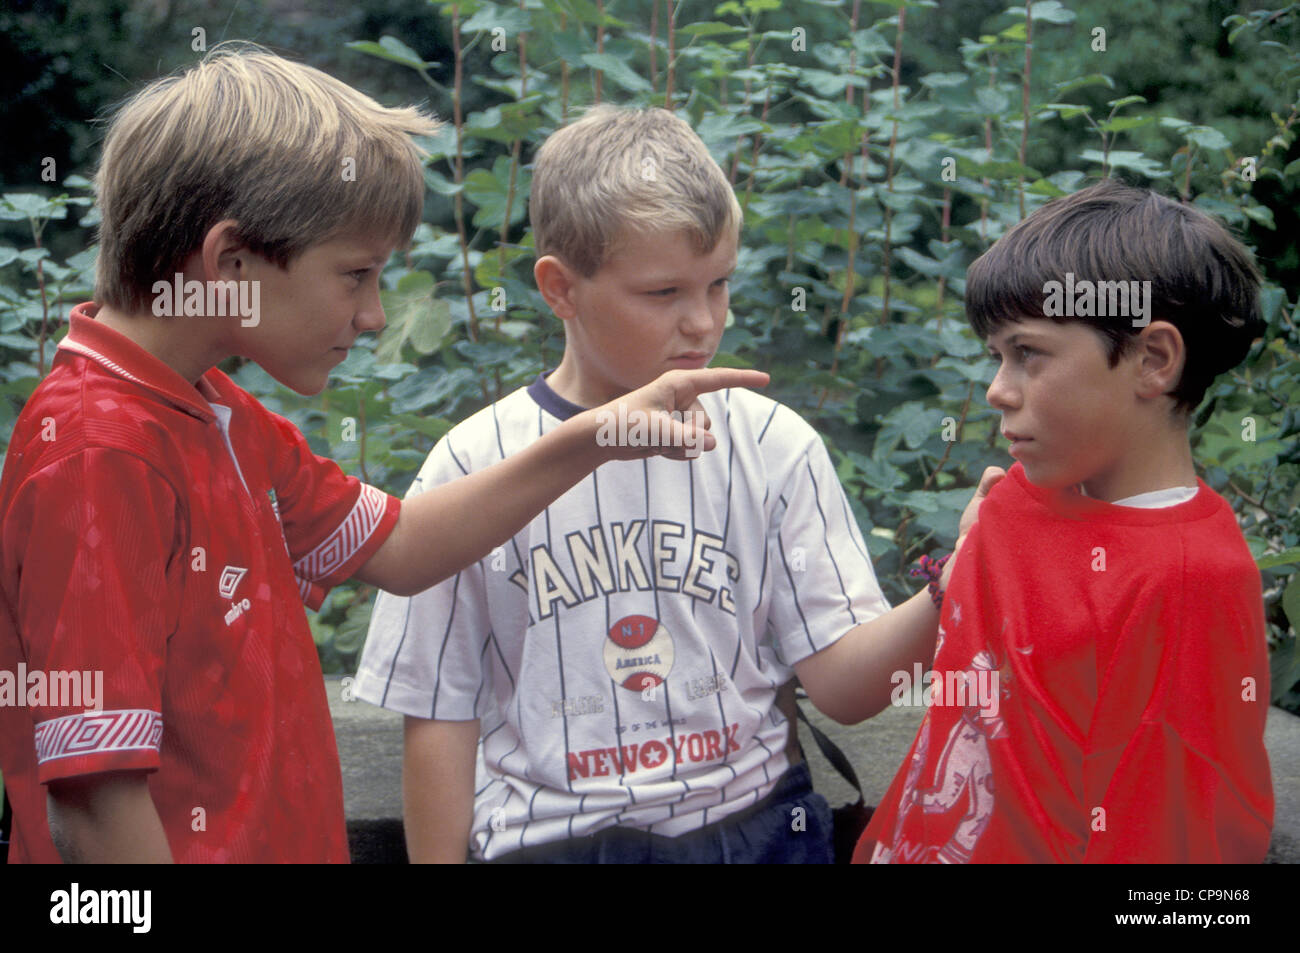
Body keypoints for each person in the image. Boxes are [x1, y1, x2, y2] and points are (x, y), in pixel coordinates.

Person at [0, 46, 766, 864]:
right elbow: (92, 813)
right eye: (356, 275)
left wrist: (599, 431)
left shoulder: (216, 411)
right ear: (230, 264)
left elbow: (400, 548)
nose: (372, 315)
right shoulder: (98, 456)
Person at [355, 104, 997, 863]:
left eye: (718, 284)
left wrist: (948, 588)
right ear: (560, 288)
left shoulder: (772, 444)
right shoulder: (471, 466)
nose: (701, 321)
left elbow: (846, 688)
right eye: (663, 294)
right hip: (554, 840)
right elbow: (438, 712)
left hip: (754, 828)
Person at [855, 179, 1274, 863]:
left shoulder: (1188, 585)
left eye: (1029, 353)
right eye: (997, 356)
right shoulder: (1018, 500)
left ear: (1153, 360)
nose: (996, 389)